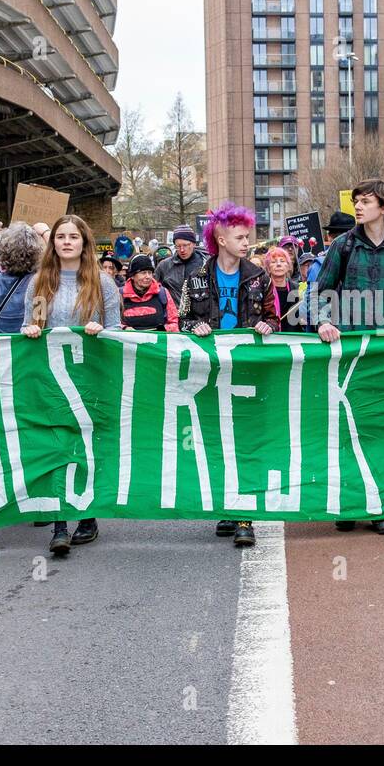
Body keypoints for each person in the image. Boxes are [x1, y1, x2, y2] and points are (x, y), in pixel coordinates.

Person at [313, 180, 384, 536]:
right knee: (348, 428)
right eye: (356, 201)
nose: (358, 207)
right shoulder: (344, 245)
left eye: (366, 201)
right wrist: (324, 320)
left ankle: (382, 506)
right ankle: (349, 505)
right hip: (350, 352)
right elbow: (322, 293)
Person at [177, 204, 278, 548]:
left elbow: (273, 318)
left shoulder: (259, 276)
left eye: (248, 236)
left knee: (246, 439)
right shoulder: (196, 278)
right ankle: (226, 506)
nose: (247, 242)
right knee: (218, 438)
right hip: (211, 371)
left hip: (248, 369)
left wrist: (268, 326)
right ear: (220, 238)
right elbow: (183, 320)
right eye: (240, 236)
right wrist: (196, 327)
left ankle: (244, 515)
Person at [22, 214, 123, 555]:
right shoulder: (41, 282)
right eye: (60, 236)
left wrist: (102, 332)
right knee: (57, 447)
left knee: (86, 448)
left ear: (84, 242)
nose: (66, 241)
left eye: (73, 236)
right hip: (52, 379)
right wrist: (32, 329)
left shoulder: (102, 283)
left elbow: (117, 330)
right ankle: (60, 523)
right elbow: (32, 322)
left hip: (91, 377)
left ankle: (89, 517)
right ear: (53, 243)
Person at [120, 253, 178, 331]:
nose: (148, 277)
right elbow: (111, 323)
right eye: (143, 273)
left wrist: (162, 330)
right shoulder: (119, 295)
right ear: (132, 276)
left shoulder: (162, 293)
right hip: (129, 342)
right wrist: (124, 328)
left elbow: (174, 322)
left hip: (158, 342)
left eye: (150, 273)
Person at [155, 225, 208, 300]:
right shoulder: (164, 266)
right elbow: (153, 289)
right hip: (175, 310)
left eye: (185, 245)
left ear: (193, 244)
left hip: (202, 310)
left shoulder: (206, 263)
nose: (182, 250)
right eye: (178, 246)